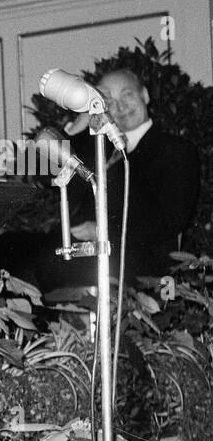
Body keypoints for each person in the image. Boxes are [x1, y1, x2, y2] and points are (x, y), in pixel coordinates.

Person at [34, 68, 201, 289]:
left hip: (136, 260)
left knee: (43, 267)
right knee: (13, 249)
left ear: (145, 95)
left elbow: (169, 220)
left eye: (127, 94)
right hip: (82, 253)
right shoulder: (96, 146)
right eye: (110, 100)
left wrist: (101, 230)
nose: (120, 106)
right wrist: (81, 122)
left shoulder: (174, 150)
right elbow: (44, 172)